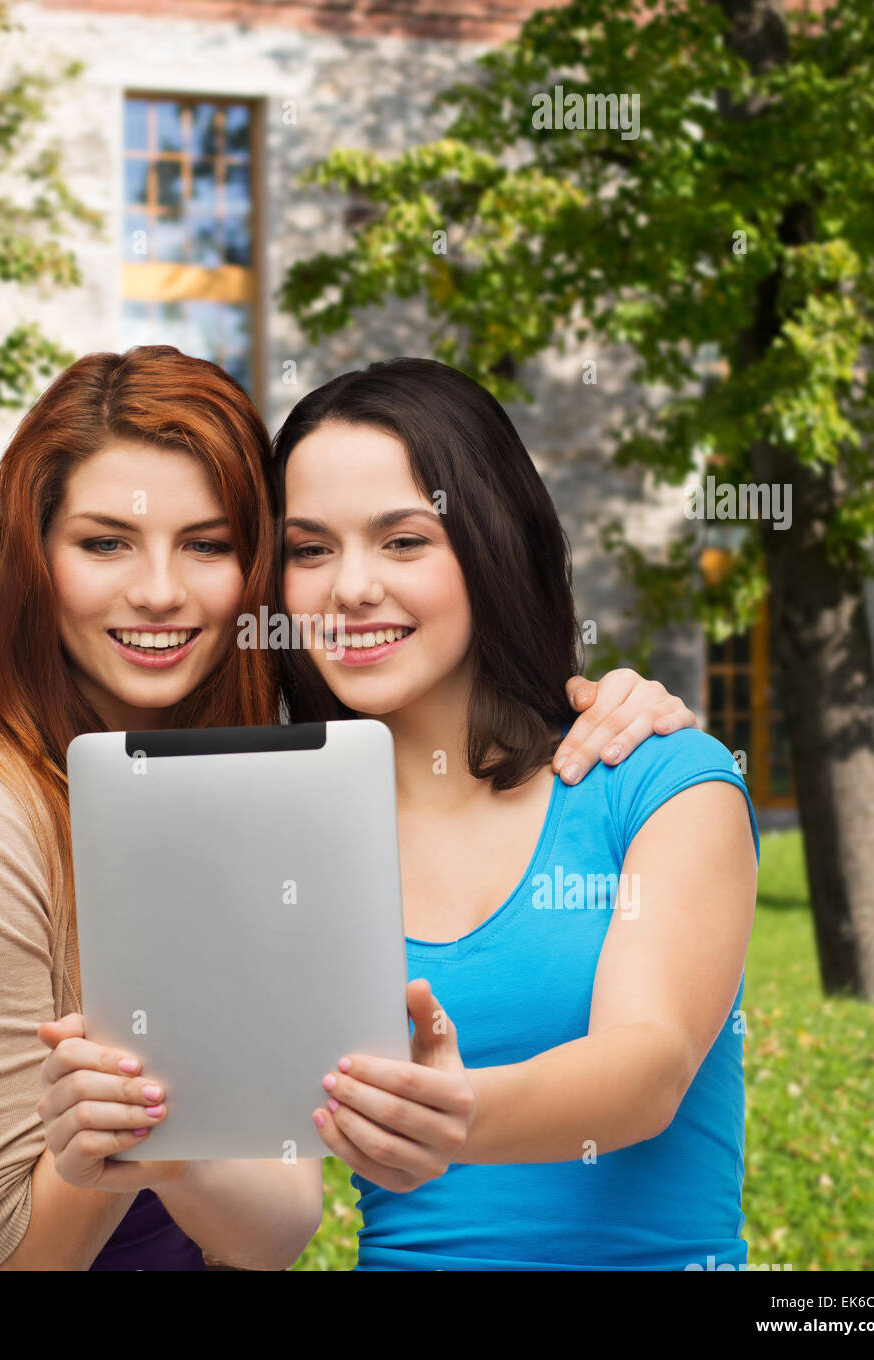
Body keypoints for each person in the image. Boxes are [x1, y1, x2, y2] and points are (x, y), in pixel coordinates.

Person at [0, 347, 698, 1271]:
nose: (159, 591)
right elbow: (20, 1257)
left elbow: (278, 1225)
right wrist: (99, 1152)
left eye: (206, 545)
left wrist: (178, 1155)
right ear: (36, 564)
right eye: (104, 542)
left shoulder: (258, 793)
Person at [269, 357, 758, 1270]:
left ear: (491, 543)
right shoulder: (288, 847)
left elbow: (648, 1065)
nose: (350, 588)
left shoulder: (653, 778)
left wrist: (461, 1117)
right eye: (310, 549)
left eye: (404, 541)